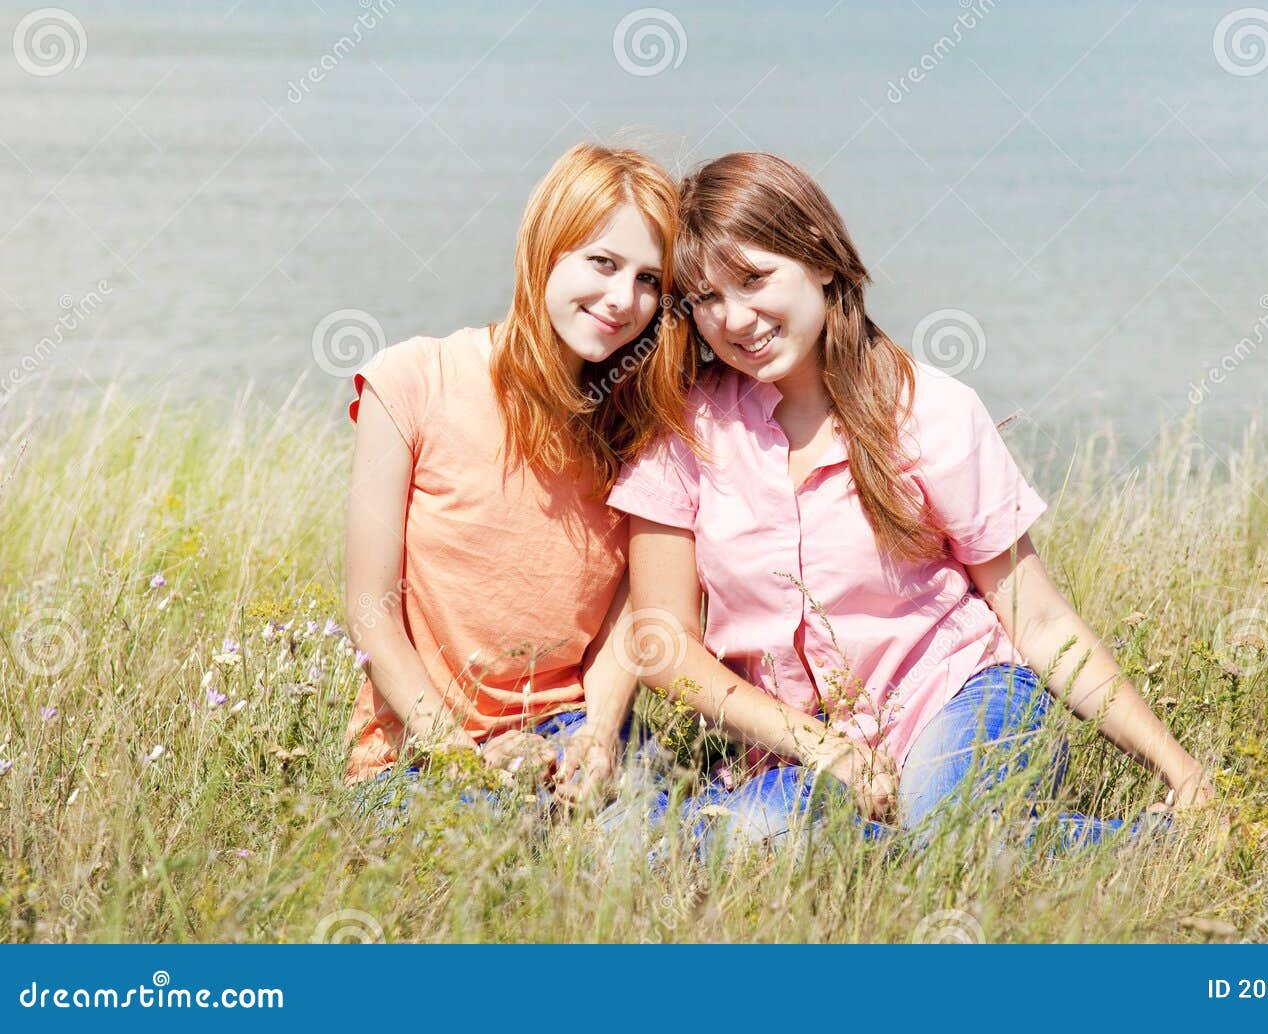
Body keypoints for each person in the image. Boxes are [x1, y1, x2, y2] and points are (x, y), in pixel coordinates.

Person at [609, 152, 1215, 851]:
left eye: (753, 279)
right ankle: (1058, 849)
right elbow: (664, 648)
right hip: (796, 750)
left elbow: (1039, 620)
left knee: (941, 837)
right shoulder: (686, 428)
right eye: (706, 298)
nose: (734, 318)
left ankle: (1161, 844)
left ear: (820, 259)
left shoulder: (931, 412)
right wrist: (818, 746)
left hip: (966, 701)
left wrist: (1181, 770)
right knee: (755, 836)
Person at [342, 142, 688, 807]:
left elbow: (631, 606)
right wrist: (465, 761)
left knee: (655, 867)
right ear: (545, 250)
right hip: (418, 756)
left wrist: (600, 737)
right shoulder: (412, 381)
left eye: (649, 280)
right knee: (490, 863)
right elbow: (370, 614)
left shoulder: (642, 423)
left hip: (573, 732)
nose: (624, 300)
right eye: (604, 263)